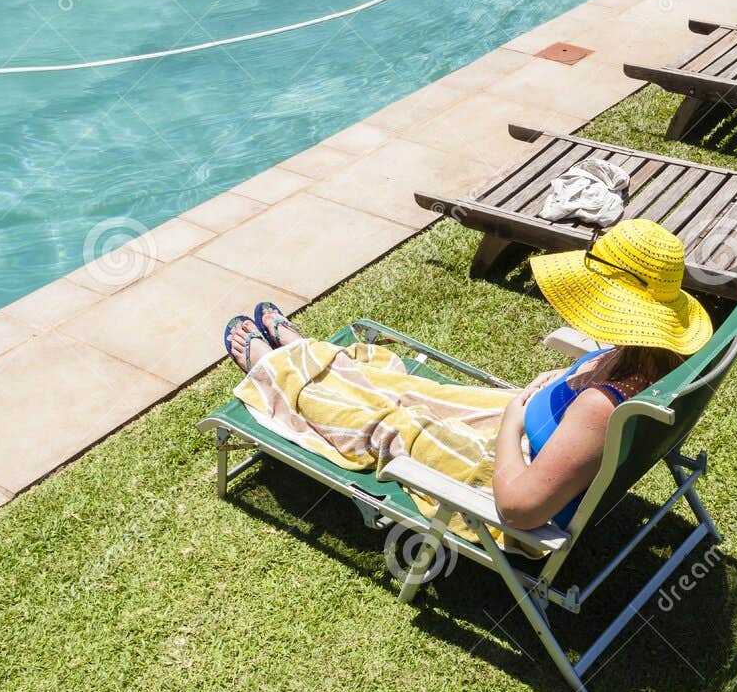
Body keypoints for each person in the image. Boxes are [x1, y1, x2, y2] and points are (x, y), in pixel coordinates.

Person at [222, 219, 711, 533]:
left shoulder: (599, 411)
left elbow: (519, 509)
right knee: (409, 387)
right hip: (529, 430)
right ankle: (305, 353)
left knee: (384, 421)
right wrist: (569, 377)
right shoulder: (664, 358)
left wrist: (513, 424)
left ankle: (279, 367)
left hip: (502, 462)